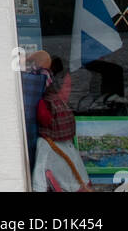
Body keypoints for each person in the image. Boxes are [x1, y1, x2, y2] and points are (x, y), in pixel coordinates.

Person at [31, 58, 92, 192]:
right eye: (67, 87)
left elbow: (79, 169)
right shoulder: (46, 145)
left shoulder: (67, 143)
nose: (69, 92)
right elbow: (39, 182)